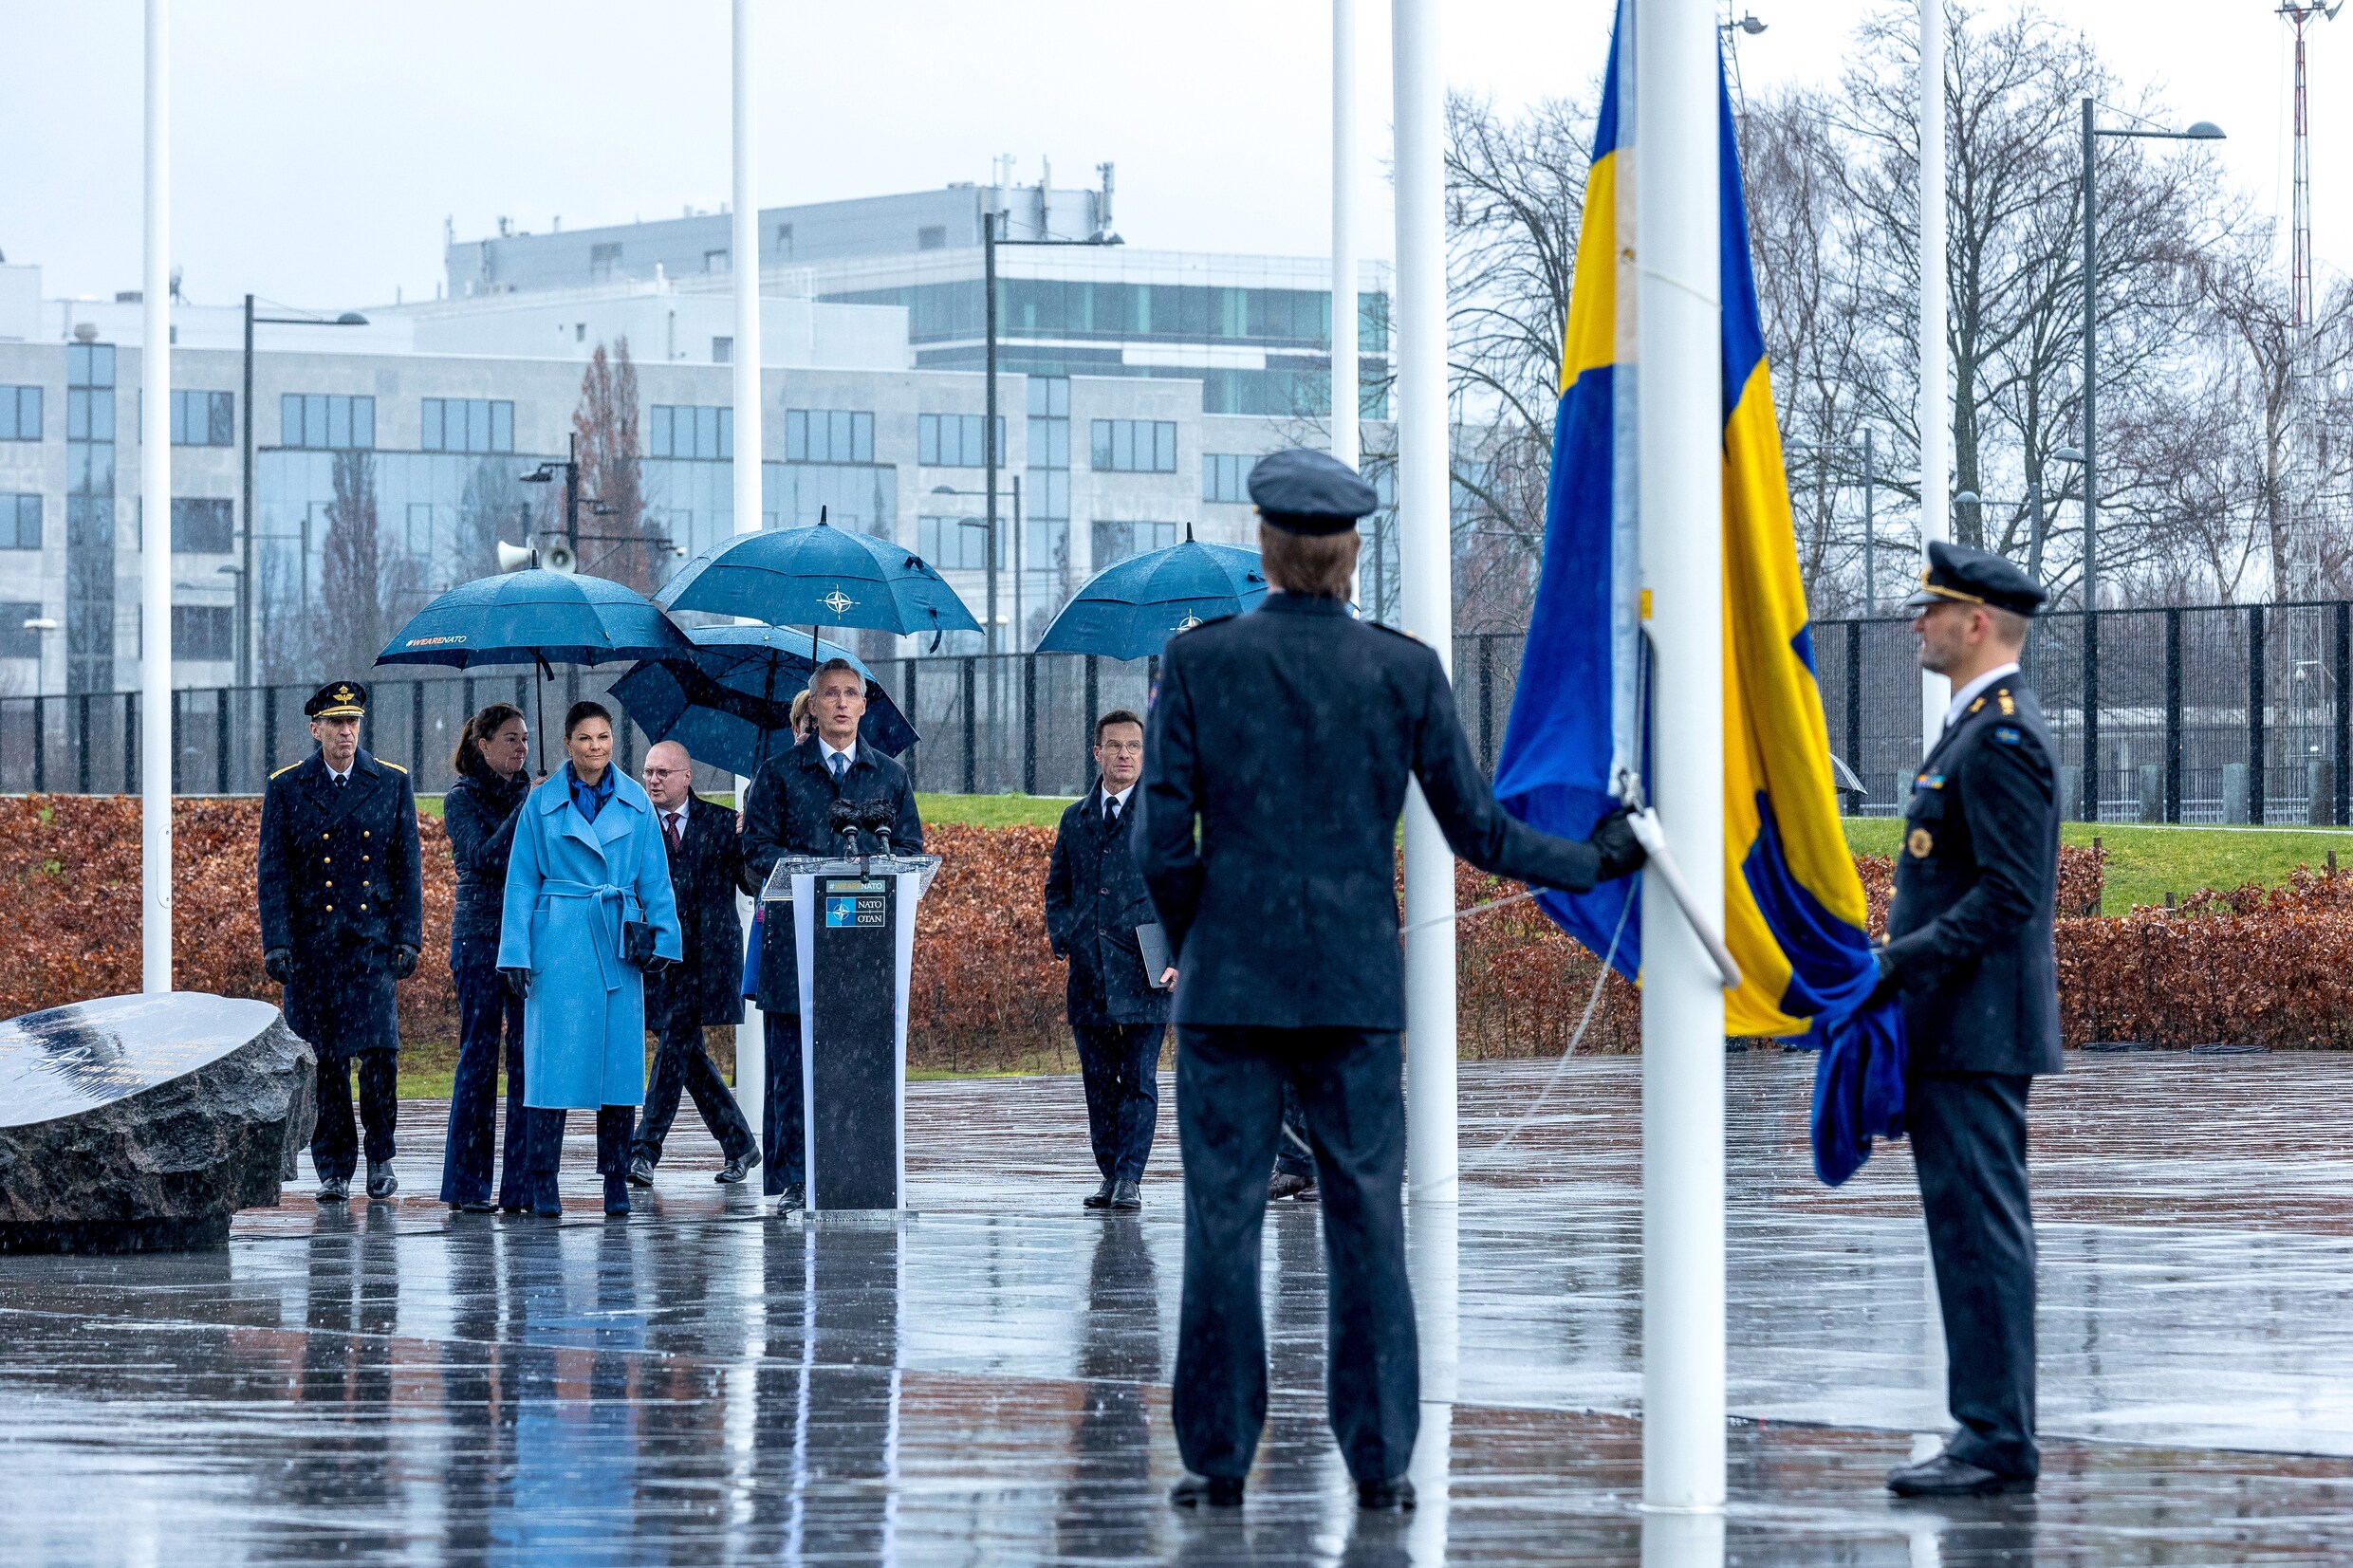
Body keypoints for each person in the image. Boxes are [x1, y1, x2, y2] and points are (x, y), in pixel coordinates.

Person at [1137, 449, 1646, 1512]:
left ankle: (1219, 1457)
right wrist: (1593, 860)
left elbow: (1159, 840)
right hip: (1356, 986)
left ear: (1266, 552)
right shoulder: (1404, 668)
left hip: (1230, 984)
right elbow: (1476, 829)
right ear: (1352, 555)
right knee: (1367, 1219)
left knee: (1222, 1220)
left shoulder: (1198, 661)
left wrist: (1206, 930)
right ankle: (1379, 1462)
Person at [1873, 541, 2062, 1498]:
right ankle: (1983, 1428)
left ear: (1974, 623)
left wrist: (1892, 967)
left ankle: (1995, 1440)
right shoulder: (1969, 730)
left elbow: (2007, 896)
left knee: (1981, 1232)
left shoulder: (1997, 739)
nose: (1917, 621)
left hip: (1976, 1031)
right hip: (1954, 1028)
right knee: (1964, 1231)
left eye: (1931, 609)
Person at [740, 657, 922, 1212]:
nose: (842, 703)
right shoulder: (778, 774)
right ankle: (797, 1179)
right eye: (830, 694)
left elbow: (911, 853)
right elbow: (755, 856)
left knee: (861, 1068)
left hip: (865, 953)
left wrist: (865, 870)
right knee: (792, 1070)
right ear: (812, 706)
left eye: (851, 694)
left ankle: (860, 1173)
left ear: (865, 705)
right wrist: (816, 871)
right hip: (796, 951)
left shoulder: (889, 776)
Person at [497, 701, 682, 1219]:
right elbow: (520, 880)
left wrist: (664, 940)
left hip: (615, 946)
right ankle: (544, 1183)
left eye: (603, 737)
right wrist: (515, 951)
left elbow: (655, 877)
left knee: (618, 1074)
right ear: (567, 743)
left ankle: (615, 1184)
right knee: (548, 1074)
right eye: (584, 738)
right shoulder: (540, 805)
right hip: (556, 944)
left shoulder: (637, 805)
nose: (595, 747)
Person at [258, 681, 423, 1204]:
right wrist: (277, 942)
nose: (346, 732)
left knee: (378, 1057)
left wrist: (407, 936)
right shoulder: (287, 788)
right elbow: (274, 872)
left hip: (368, 946)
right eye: (335, 723)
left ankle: (381, 1156)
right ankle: (333, 1166)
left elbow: (407, 869)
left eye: (352, 722)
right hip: (313, 951)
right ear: (316, 729)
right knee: (324, 1063)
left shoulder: (390, 783)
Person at [1045, 710, 1176, 1213]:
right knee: (1098, 1079)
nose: (1125, 755)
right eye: (1115, 746)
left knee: (1139, 1076)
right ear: (1096, 752)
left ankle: (1129, 1177)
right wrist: (1067, 935)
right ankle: (1109, 1172)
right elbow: (1058, 886)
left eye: (1134, 747)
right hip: (1090, 967)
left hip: (1147, 964)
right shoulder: (1075, 818)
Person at [628, 740, 759, 1187]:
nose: (653, 780)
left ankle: (644, 1149)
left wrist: (750, 838)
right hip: (661, 959)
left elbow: (748, 884)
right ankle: (740, 1144)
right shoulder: (636, 826)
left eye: (663, 773)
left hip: (709, 959)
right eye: (648, 772)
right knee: (685, 1053)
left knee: (677, 1042)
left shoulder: (723, 824)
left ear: (687, 777)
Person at [437, 703, 532, 1213]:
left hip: (525, 938)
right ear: (484, 745)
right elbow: (486, 856)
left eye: (525, 738)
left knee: (525, 1059)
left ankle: (520, 1185)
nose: (521, 747)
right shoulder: (462, 798)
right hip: (479, 938)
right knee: (478, 1056)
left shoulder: (531, 794)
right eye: (511, 739)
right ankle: (467, 1185)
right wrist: (526, 808)